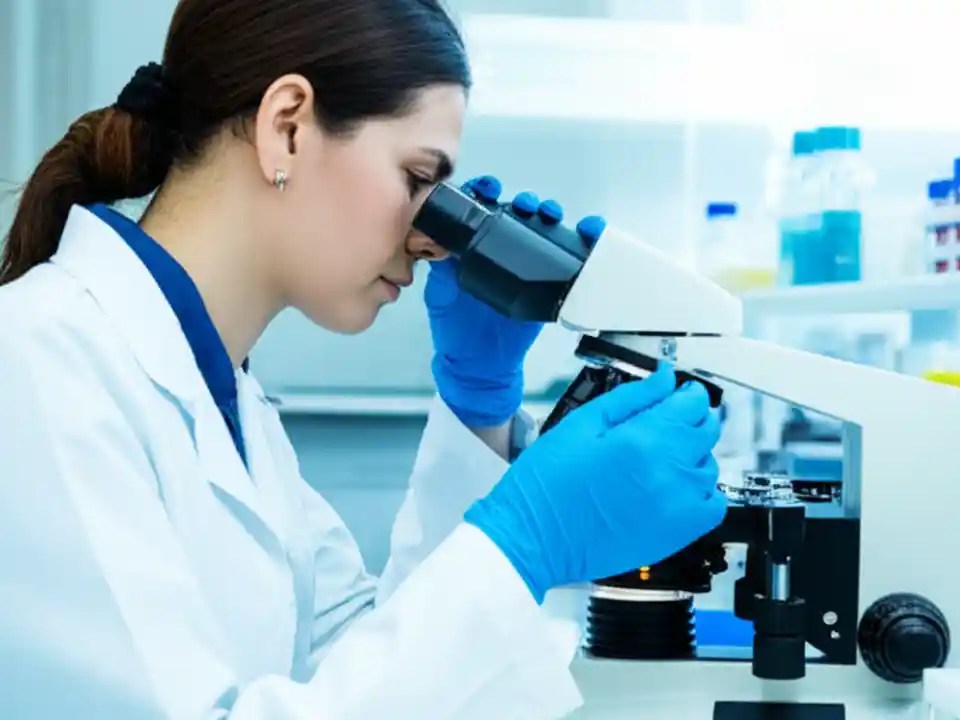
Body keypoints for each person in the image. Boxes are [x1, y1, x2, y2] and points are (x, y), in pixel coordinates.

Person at [0, 1, 726, 718]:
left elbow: (366, 667)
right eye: (417, 179)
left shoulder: (231, 408)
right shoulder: (39, 362)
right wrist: (523, 541)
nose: (427, 237)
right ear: (286, 127)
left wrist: (478, 411)